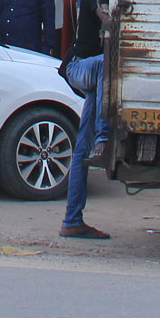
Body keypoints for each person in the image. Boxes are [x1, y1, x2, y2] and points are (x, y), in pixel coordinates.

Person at [60, 54, 109, 239]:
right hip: (78, 65)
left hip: (89, 71)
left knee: (81, 150)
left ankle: (72, 220)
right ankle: (102, 135)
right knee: (107, 62)